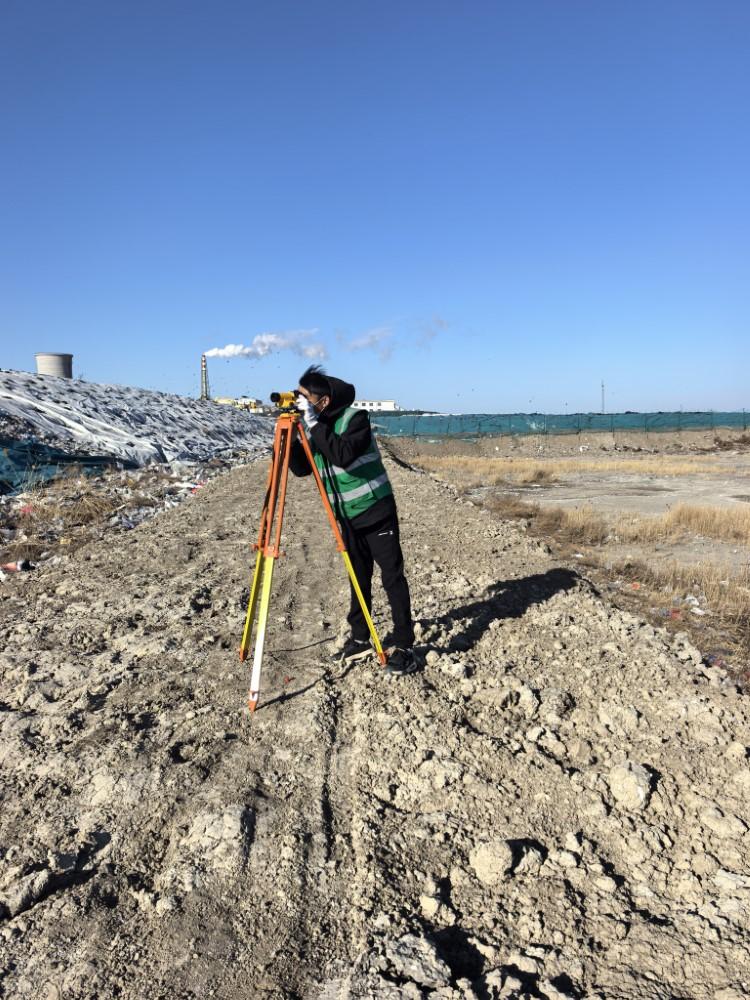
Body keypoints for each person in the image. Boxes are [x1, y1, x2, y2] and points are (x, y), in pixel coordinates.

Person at [289, 365, 418, 677]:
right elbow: (302, 469)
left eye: (306, 397)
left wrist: (312, 424)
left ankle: (405, 645)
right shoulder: (315, 426)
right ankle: (360, 638)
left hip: (376, 511)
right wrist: (292, 438)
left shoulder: (354, 419)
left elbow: (343, 454)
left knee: (392, 578)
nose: (301, 402)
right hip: (346, 518)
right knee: (358, 579)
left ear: (323, 400)